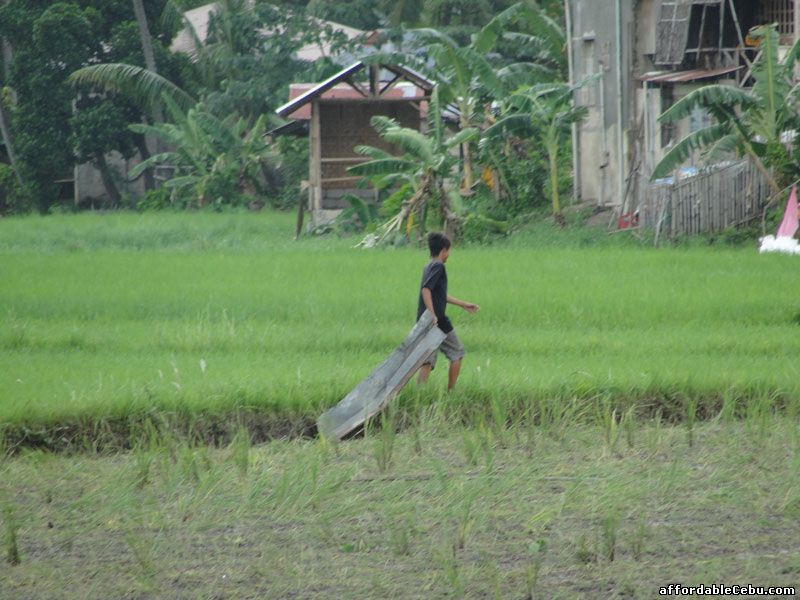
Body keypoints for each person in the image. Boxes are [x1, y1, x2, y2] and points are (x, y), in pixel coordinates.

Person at [416, 232, 479, 391]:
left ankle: (419, 393)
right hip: (437, 320)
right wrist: (433, 314)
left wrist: (463, 304)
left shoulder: (428, 266)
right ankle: (451, 392)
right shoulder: (438, 266)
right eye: (448, 251)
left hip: (425, 319)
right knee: (457, 352)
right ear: (443, 250)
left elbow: (439, 295)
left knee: (427, 359)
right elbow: (426, 290)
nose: (448, 255)